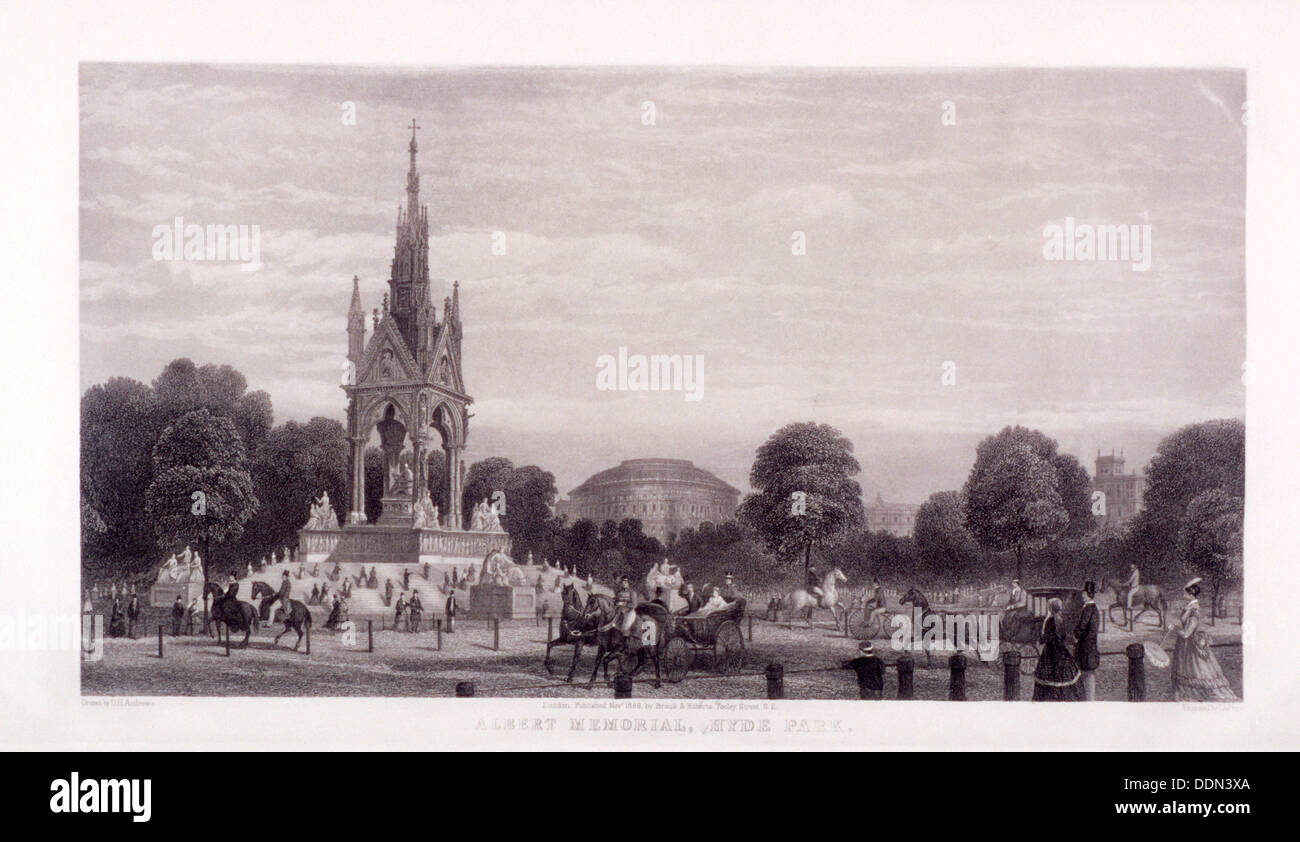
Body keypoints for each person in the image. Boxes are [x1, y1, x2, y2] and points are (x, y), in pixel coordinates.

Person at [1171, 578, 1237, 701]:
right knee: (1186, 671)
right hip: (1185, 645)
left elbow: (1186, 634)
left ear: (1191, 595)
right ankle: (1186, 694)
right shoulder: (1190, 606)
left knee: (1198, 671)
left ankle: (1196, 695)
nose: (1183, 595)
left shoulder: (1194, 610)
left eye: (1185, 593)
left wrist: (1175, 629)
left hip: (1191, 645)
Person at [1032, 598, 1081, 701]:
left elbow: (1048, 636)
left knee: (1050, 673)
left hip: (1052, 649)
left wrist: (1040, 640)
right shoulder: (1060, 618)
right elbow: (1063, 634)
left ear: (1051, 607)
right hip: (1061, 649)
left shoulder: (1051, 620)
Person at [1074, 580, 1101, 700]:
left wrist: (1075, 634)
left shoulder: (1088, 609)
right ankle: (1089, 699)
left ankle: (1088, 701)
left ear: (1087, 594)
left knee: (1087, 675)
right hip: (1091, 647)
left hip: (1086, 647)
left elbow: (1081, 627)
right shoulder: (1094, 608)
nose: (1082, 596)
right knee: (1088, 675)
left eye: (1083, 593)